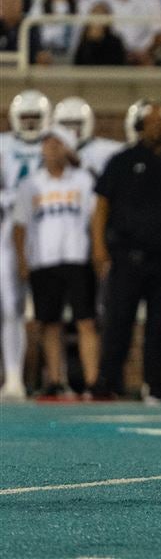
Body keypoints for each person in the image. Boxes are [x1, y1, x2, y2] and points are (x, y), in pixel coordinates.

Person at [92, 101, 161, 401]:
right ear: (141, 127)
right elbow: (101, 206)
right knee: (119, 321)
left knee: (159, 324)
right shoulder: (122, 161)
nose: (159, 128)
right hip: (128, 254)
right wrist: (99, 247)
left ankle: (154, 384)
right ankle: (108, 381)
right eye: (153, 122)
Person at [12, 127, 97, 397]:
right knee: (49, 322)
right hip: (44, 260)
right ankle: (55, 379)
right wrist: (23, 260)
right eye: (47, 143)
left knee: (85, 320)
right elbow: (20, 226)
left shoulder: (82, 180)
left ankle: (93, 381)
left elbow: (95, 218)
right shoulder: (31, 184)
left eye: (57, 143)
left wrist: (97, 252)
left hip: (76, 256)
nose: (50, 148)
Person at [0, 89, 51, 400]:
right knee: (10, 307)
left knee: (51, 312)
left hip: (49, 231)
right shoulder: (4, 144)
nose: (30, 124)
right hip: (8, 233)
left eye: (36, 118)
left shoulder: (56, 143)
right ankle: (15, 376)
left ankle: (50, 377)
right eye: (26, 118)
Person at [52, 96, 122, 178]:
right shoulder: (47, 149)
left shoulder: (107, 150)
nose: (70, 131)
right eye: (66, 125)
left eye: (76, 124)